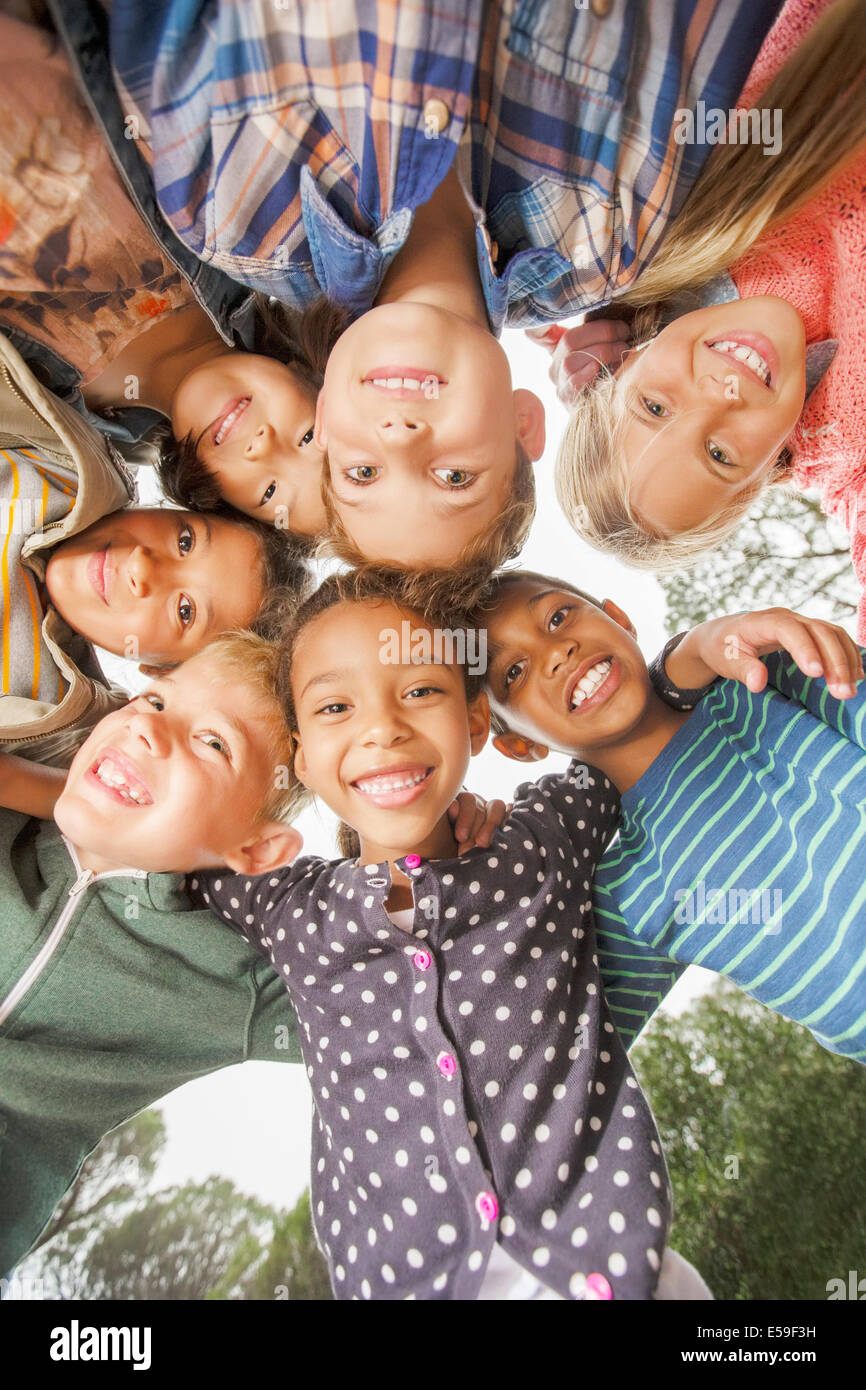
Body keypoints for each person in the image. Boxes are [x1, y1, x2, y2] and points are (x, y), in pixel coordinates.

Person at [43, 0, 781, 573]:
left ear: (328, 418)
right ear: (526, 425)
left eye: (362, 471)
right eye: (454, 476)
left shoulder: (230, 222)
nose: (401, 438)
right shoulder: (607, 245)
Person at [193, 569, 711, 1300]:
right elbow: (158, 820)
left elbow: (641, 722)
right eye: (337, 705)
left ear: (475, 722)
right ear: (302, 758)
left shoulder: (540, 845)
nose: (382, 727)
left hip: (617, 1268)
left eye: (420, 690)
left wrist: (695, 651)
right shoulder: (293, 911)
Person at [0, 629, 505, 1278]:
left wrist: (451, 877)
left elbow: (431, 1012)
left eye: (213, 743)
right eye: (155, 702)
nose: (149, 732)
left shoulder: (239, 974)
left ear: (254, 849)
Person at [548, 0, 866, 636]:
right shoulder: (849, 452)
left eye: (655, 408)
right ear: (756, 482)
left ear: (627, 359)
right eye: (719, 453)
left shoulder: (681, 213)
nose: (718, 397)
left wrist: (584, 290)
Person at [476, 568, 866, 1063]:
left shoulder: (764, 678)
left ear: (618, 618)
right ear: (520, 746)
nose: (556, 652)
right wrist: (468, 868)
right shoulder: (627, 896)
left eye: (557, 616)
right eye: (514, 672)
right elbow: (553, 1055)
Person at [0, 8, 346, 540]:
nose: (262, 447)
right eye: (306, 437)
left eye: (270, 492)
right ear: (313, 374)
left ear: (220, 506)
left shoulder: (65, 445)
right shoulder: (246, 227)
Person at [0, 330, 302, 765]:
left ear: (162, 672)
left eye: (185, 610)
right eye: (185, 540)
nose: (143, 567)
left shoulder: (60, 723)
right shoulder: (59, 459)